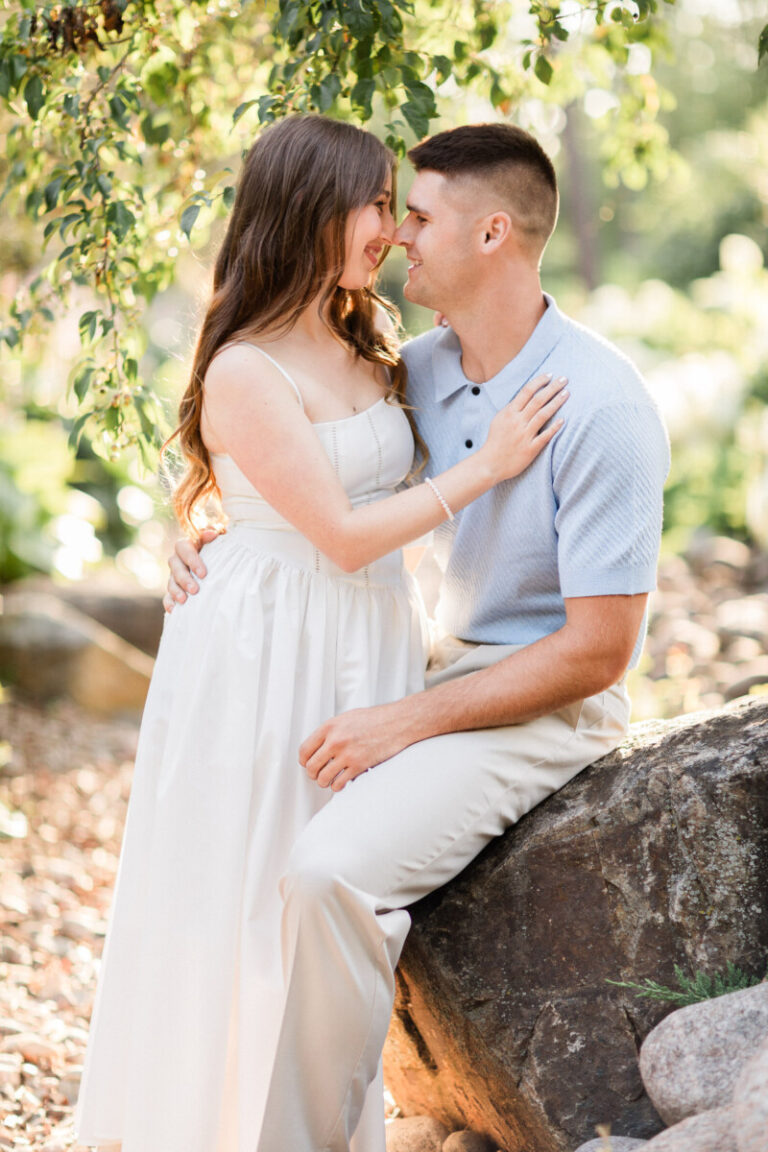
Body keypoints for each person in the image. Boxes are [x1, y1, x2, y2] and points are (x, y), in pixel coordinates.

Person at [166, 121, 670, 1152]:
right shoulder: (418, 369)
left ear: (492, 234)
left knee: (328, 874)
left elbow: (600, 654)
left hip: (544, 702)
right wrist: (213, 530)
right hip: (438, 670)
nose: (397, 235)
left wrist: (405, 723)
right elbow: (314, 470)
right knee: (258, 854)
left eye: (420, 216)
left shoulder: (602, 403)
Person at [74, 115, 566, 1152]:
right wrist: (487, 467)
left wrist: (199, 520)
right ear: (309, 210)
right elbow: (337, 533)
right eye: (376, 205)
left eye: (396, 207)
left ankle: (311, 1124)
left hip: (369, 632)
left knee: (331, 886)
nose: (391, 230)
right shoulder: (245, 369)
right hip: (264, 645)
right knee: (245, 877)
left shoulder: (370, 340)